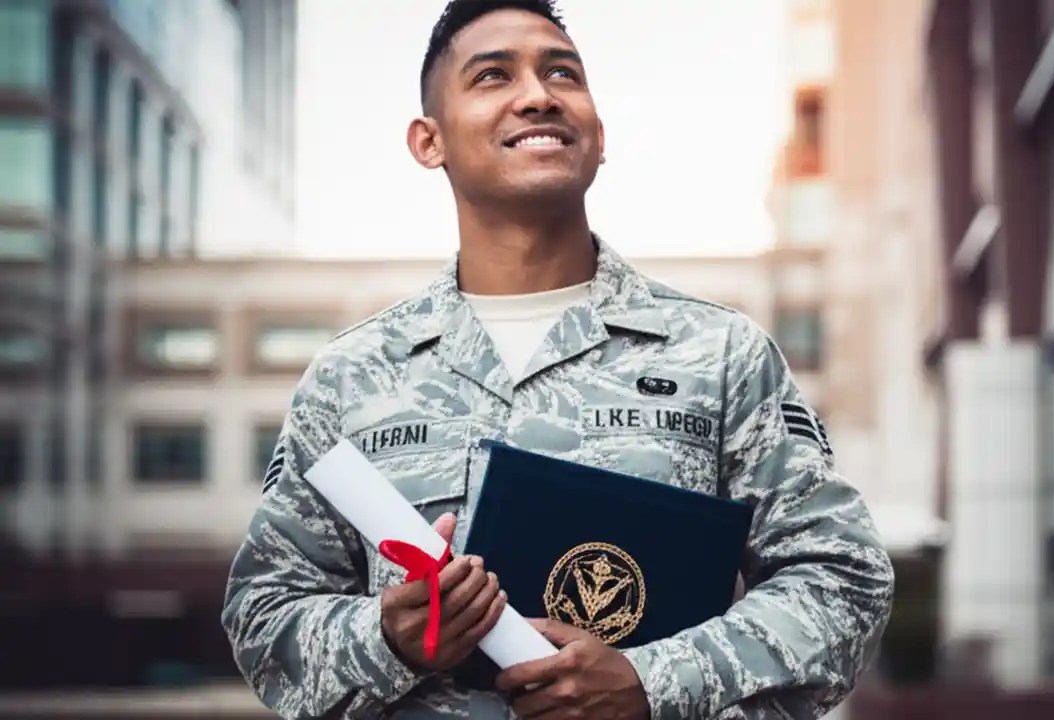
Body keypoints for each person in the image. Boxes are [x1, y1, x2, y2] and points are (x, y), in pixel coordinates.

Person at [221, 1, 895, 718]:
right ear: (429, 141)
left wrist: (652, 682)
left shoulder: (721, 358)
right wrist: (385, 636)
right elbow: (264, 616)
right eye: (492, 76)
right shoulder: (352, 379)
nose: (537, 94)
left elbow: (841, 582)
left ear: (599, 136)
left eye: (561, 73)